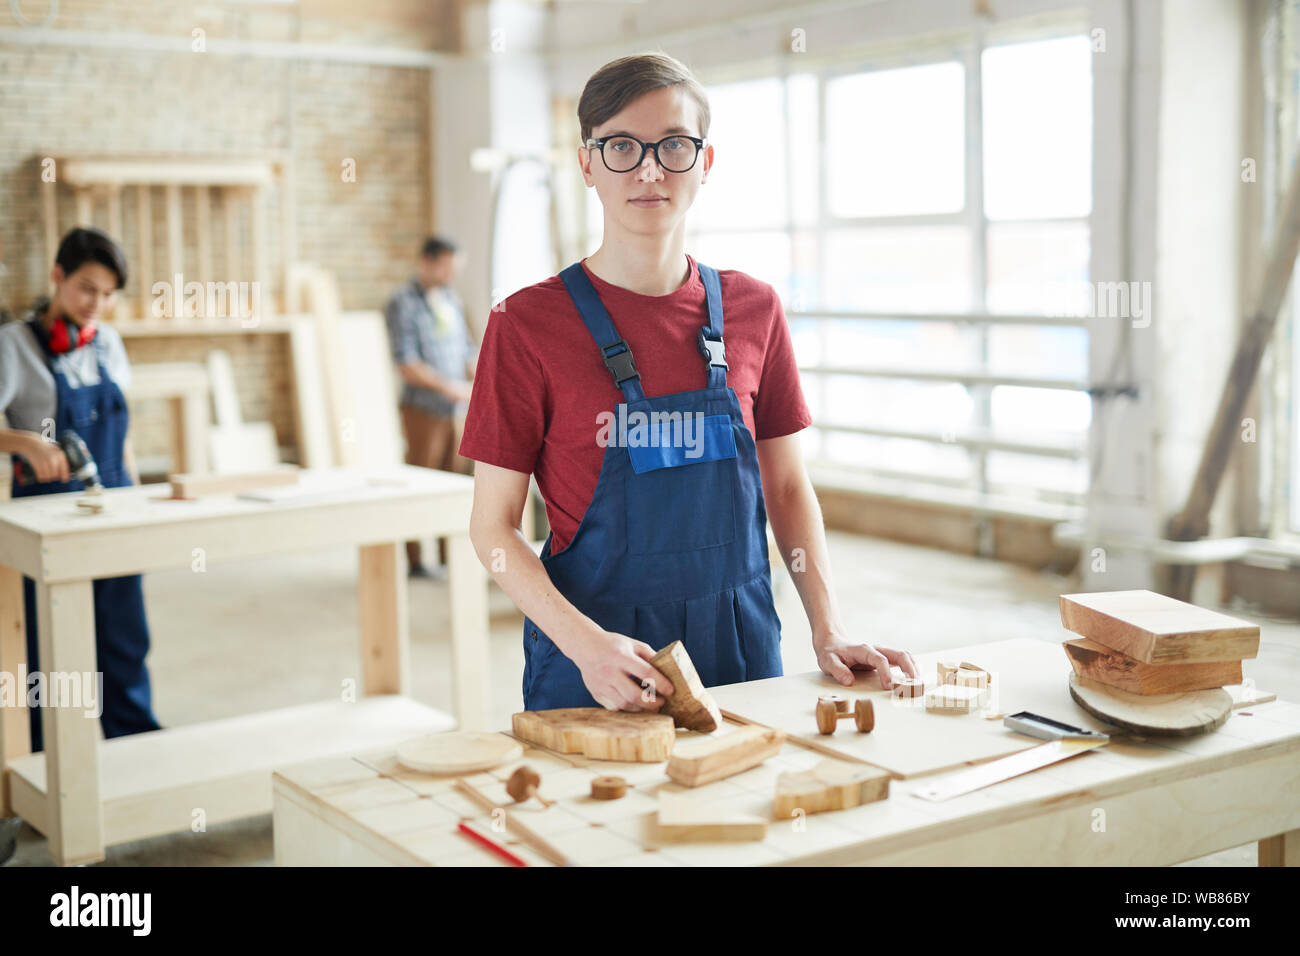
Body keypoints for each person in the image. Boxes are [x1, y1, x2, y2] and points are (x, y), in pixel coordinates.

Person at [459, 53, 918, 712]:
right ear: (586, 164)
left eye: (673, 144)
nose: (649, 169)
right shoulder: (527, 325)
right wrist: (585, 646)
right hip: (599, 661)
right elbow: (493, 530)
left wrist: (828, 626)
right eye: (621, 146)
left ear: (705, 162)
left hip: (741, 648)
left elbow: (786, 487)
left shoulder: (754, 309)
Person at [0, 227, 162, 752]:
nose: (98, 303)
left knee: (124, 639)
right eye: (87, 288)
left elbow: (124, 433)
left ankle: (134, 746)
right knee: (50, 648)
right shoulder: (14, 346)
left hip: (110, 505)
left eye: (109, 293)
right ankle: (47, 762)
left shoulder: (108, 344)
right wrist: (27, 443)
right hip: (46, 518)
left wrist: (138, 502)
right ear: (57, 277)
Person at [384, 236, 477, 579]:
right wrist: (448, 387)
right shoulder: (402, 303)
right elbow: (406, 362)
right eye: (446, 267)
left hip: (456, 411)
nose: (452, 274)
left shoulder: (451, 300)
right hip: (423, 410)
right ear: (426, 262)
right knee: (419, 484)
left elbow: (467, 350)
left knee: (454, 484)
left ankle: (447, 557)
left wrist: (477, 379)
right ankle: (415, 561)